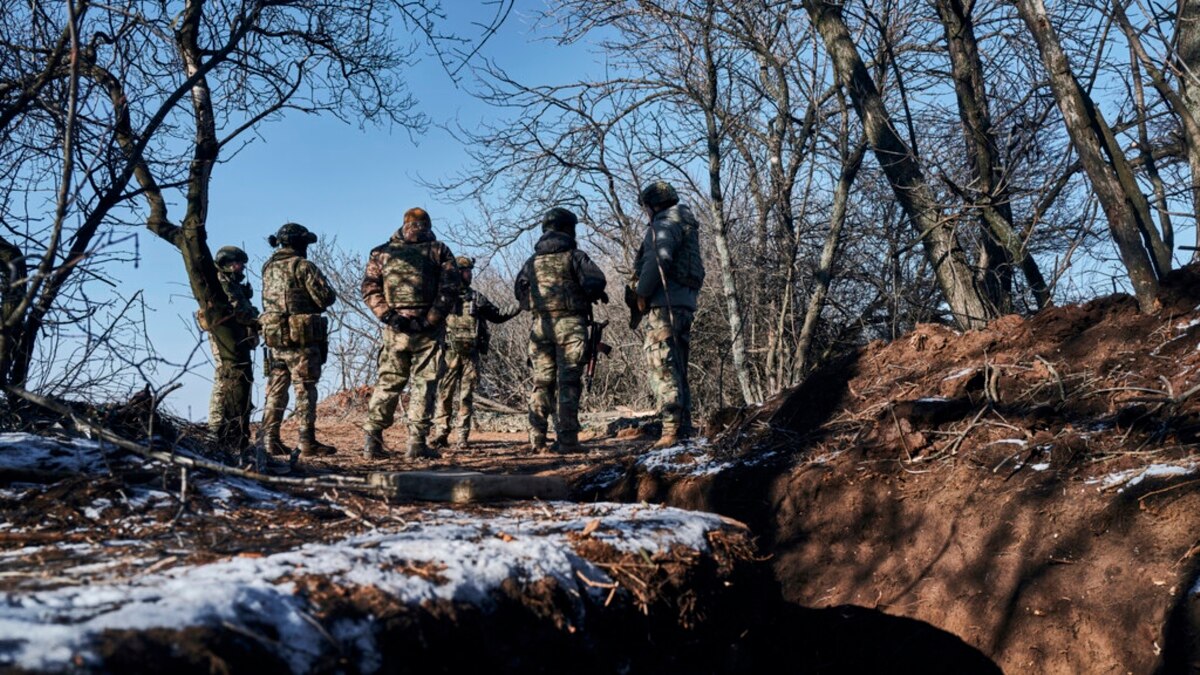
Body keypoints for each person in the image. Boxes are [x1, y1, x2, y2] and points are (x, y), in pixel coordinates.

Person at [361, 207, 460, 460]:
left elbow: (369, 288)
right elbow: (450, 287)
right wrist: (430, 319)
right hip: (428, 330)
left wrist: (389, 316)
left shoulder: (381, 252)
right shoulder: (438, 250)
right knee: (424, 383)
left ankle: (372, 441)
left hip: (396, 330)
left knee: (389, 381)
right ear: (428, 225)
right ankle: (416, 443)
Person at [514, 207, 607, 453]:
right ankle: (567, 440)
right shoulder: (575, 256)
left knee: (542, 382)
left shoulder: (531, 262)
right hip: (570, 326)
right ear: (568, 229)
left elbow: (520, 292)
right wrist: (588, 295)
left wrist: (535, 304)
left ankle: (536, 439)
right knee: (568, 382)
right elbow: (596, 282)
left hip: (540, 327)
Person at [631, 181, 705, 449]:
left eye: (646, 207)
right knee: (679, 366)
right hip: (684, 303)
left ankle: (671, 431)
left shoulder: (663, 225)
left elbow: (658, 260)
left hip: (665, 304)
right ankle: (683, 426)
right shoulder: (685, 224)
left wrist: (641, 292)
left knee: (662, 366)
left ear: (654, 205)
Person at [259, 223, 338, 458]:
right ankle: (306, 441)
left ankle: (269, 440)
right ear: (300, 243)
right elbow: (326, 297)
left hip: (275, 338)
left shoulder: (268, 267)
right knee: (304, 388)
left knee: (276, 389)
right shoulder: (302, 266)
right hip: (301, 340)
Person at [430, 256, 520, 452]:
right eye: (466, 271)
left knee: (466, 396)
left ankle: (462, 437)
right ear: (457, 273)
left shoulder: (476, 298)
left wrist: (520, 304)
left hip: (471, 354)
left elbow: (498, 315)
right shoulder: (443, 297)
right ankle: (441, 434)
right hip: (448, 353)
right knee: (444, 395)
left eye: (470, 271)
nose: (469, 274)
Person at [205, 246, 260, 455]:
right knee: (223, 378)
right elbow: (239, 310)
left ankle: (227, 428)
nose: (242, 267)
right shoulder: (223, 282)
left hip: (235, 337)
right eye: (238, 263)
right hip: (225, 338)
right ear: (227, 264)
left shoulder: (233, 283)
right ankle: (215, 428)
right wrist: (257, 318)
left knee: (233, 379)